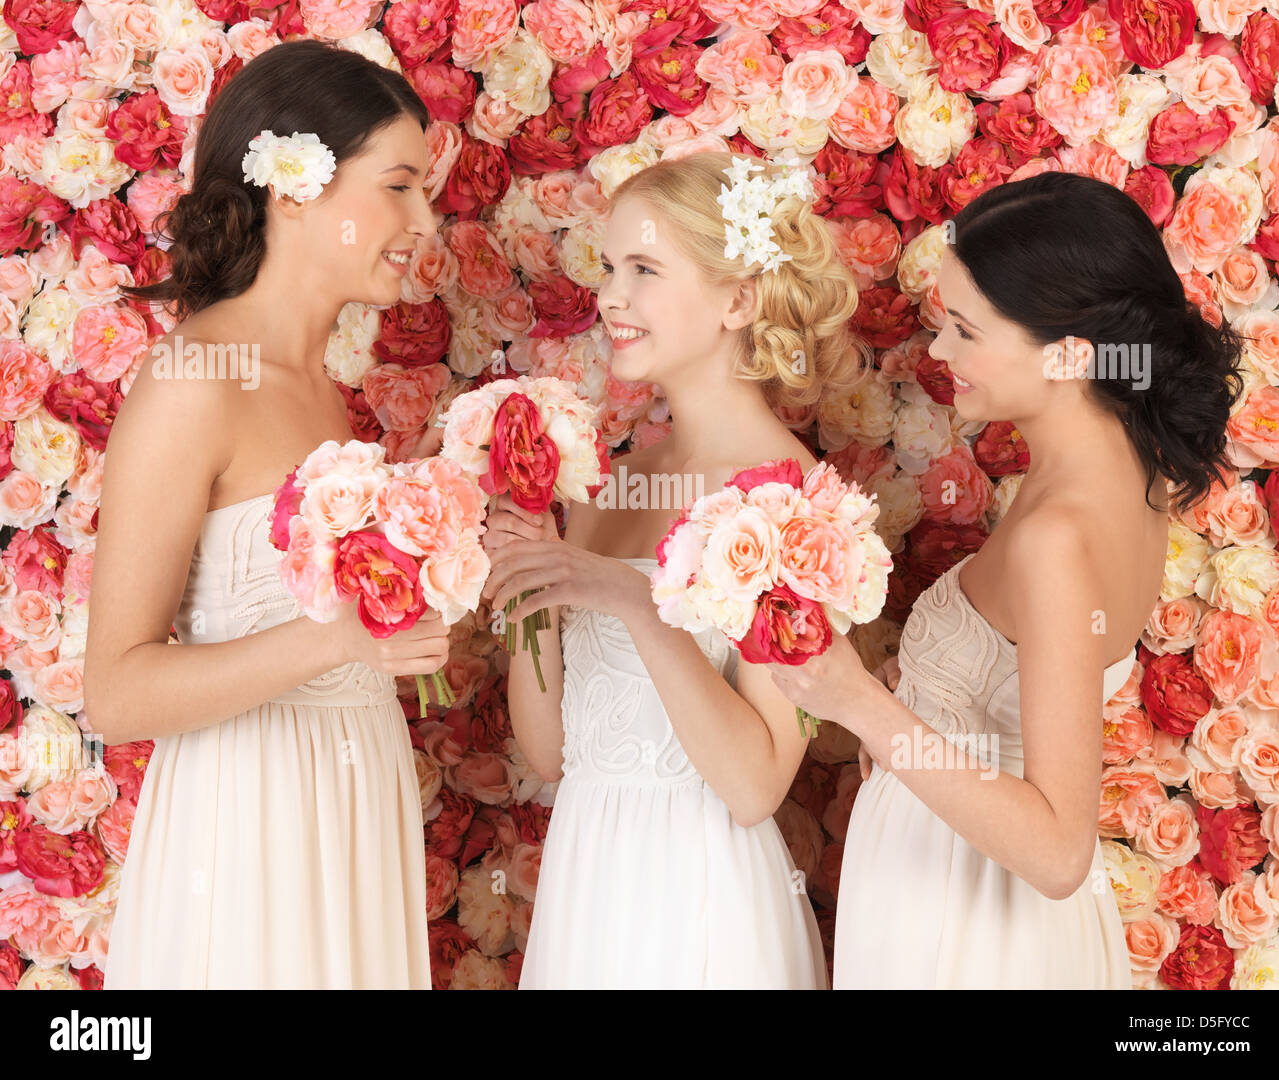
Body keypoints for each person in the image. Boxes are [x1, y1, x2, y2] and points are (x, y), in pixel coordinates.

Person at [767, 171, 1246, 989]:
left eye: (964, 329)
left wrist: (860, 705)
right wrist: (922, 693)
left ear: (1069, 353)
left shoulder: (1057, 533)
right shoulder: (1131, 473)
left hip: (974, 922)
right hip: (956, 893)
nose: (940, 352)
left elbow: (1059, 851)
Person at [86, 40, 449, 990]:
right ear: (294, 184)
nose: (425, 217)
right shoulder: (193, 381)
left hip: (351, 803)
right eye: (401, 184)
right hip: (250, 829)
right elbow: (116, 692)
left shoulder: (323, 392)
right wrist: (340, 640)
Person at [480, 149, 865, 988]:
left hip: (705, 912)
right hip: (588, 901)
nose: (611, 296)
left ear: (738, 298)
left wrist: (632, 599)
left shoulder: (800, 507)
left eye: (645, 269)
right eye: (611, 267)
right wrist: (529, 566)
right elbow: (548, 753)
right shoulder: (609, 485)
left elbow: (757, 784)